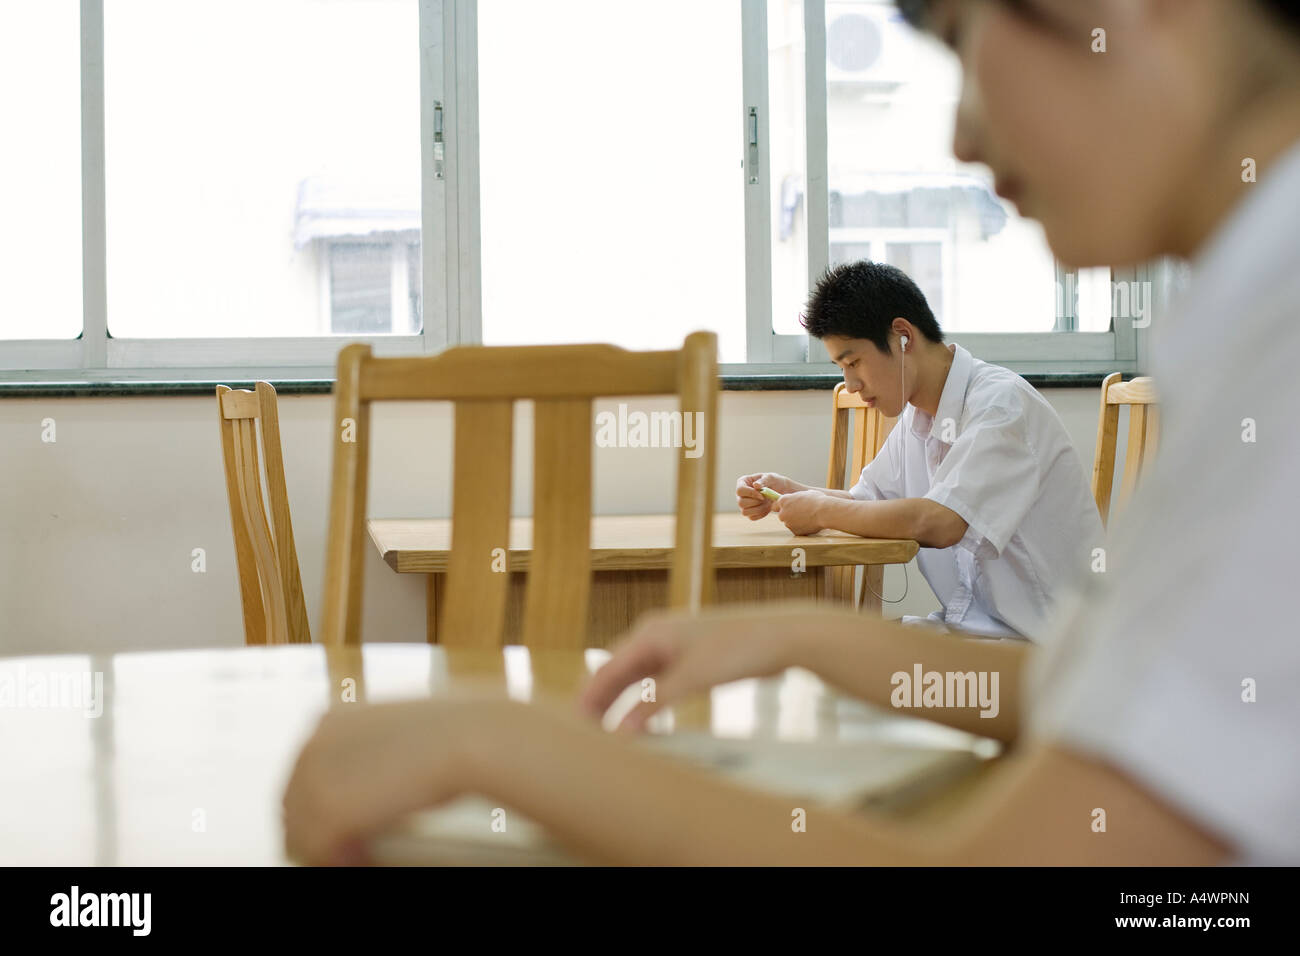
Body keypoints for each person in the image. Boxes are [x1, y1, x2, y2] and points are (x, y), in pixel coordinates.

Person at [283, 0, 1300, 865]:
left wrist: (491, 743)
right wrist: (795, 629)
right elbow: (1057, 686)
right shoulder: (1250, 316)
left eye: (957, 36)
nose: (960, 133)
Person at [737, 260, 1103, 639]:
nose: (849, 385)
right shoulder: (917, 418)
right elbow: (864, 502)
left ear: (902, 337)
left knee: (831, 654)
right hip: (972, 635)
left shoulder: (1000, 405)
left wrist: (821, 510)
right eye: (841, 368)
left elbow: (941, 522)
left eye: (854, 362)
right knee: (828, 646)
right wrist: (790, 491)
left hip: (1046, 655)